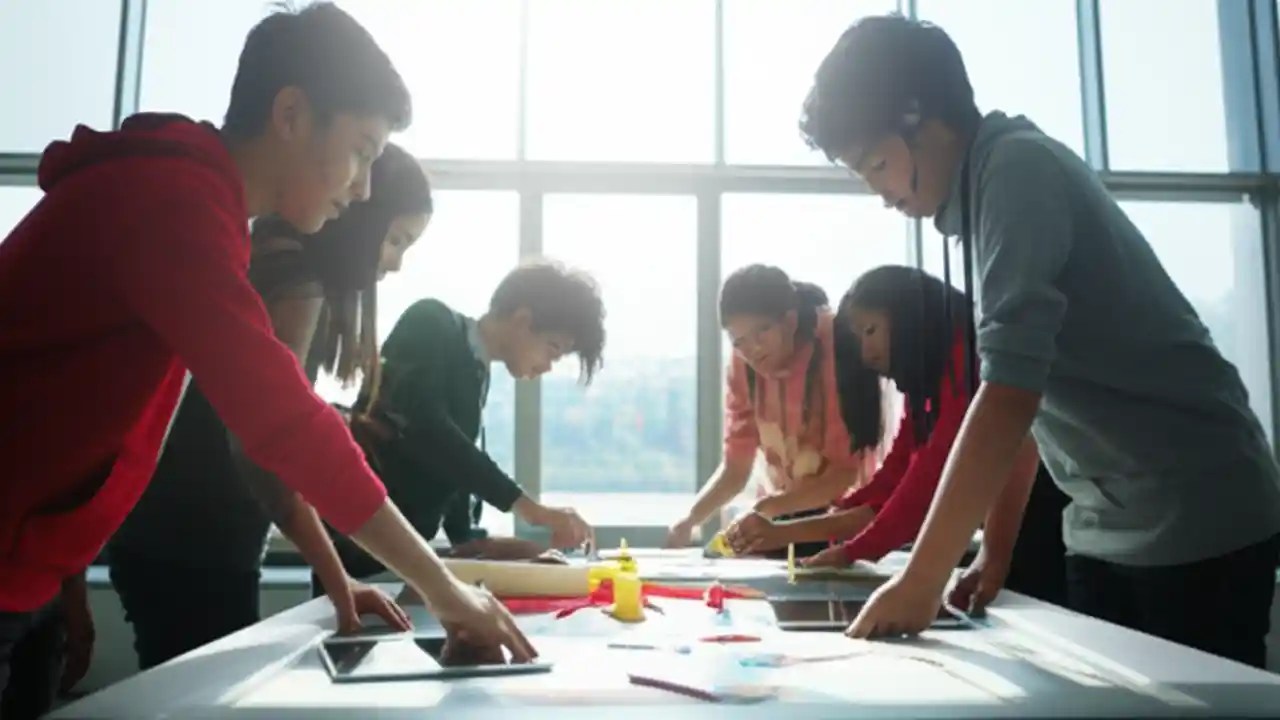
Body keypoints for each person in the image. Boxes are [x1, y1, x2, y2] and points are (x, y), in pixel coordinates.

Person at [0, 3, 533, 710]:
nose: (363, 187)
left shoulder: (196, 205)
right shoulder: (172, 203)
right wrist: (445, 589)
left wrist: (65, 571)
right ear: (291, 114)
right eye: (363, 151)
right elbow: (279, 421)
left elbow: (66, 409)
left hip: (31, 563)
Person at [800, 13, 1280, 667]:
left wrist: (922, 578)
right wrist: (994, 554)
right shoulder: (983, 198)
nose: (882, 195)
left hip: (1192, 511)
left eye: (878, 165)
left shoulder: (1016, 174)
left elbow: (1007, 398)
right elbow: (1029, 411)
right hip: (1105, 525)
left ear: (921, 119)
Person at [108, 142, 429, 670]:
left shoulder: (268, 254)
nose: (393, 262)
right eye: (395, 240)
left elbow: (236, 396)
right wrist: (337, 575)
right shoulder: (297, 280)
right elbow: (263, 442)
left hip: (167, 533)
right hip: (193, 542)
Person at [725, 266, 1038, 581]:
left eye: (870, 331)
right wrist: (835, 521)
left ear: (908, 317)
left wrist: (851, 548)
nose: (865, 352)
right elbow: (893, 478)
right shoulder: (926, 387)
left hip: (1034, 512)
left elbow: (922, 488)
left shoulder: (963, 367)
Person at [317, 260, 604, 593]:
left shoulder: (477, 373)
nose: (547, 366)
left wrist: (511, 552)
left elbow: (455, 475)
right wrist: (529, 508)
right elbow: (427, 428)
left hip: (404, 563)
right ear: (522, 320)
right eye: (552, 349)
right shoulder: (431, 321)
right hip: (359, 559)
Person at [666, 264, 883, 556]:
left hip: (851, 519)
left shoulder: (836, 344)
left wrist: (765, 509)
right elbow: (736, 465)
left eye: (762, 332)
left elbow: (843, 473)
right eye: (739, 340)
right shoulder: (743, 362)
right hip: (780, 519)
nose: (752, 349)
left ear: (790, 320)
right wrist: (690, 519)